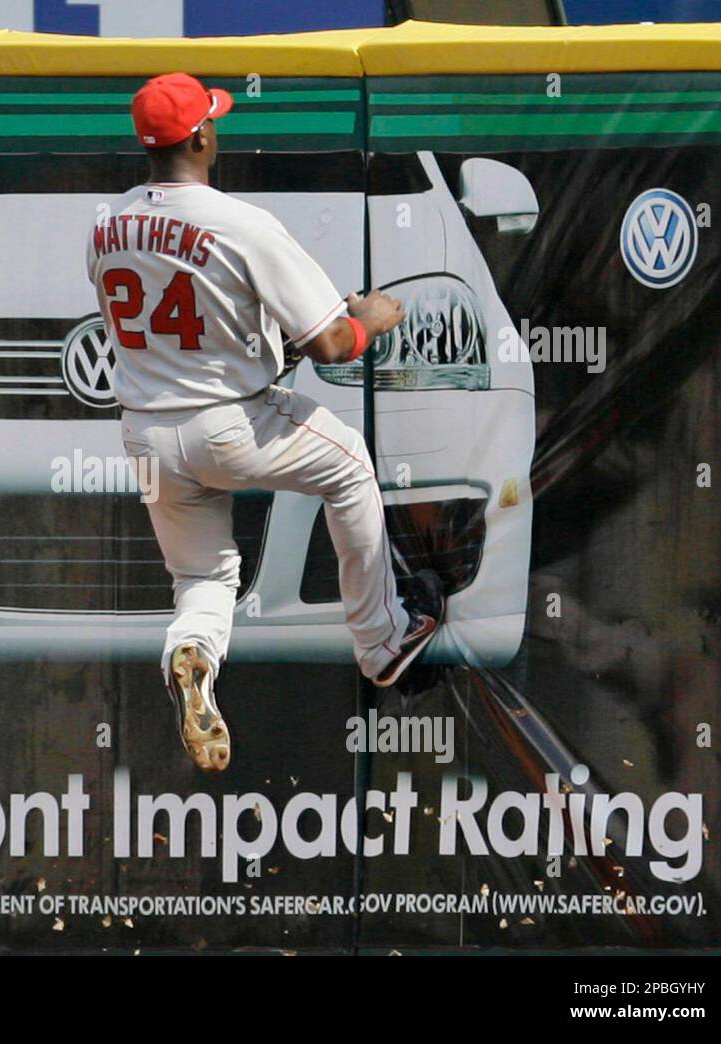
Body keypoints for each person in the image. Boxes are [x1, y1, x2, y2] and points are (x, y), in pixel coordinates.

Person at [85, 72, 443, 772]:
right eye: (212, 119)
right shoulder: (240, 223)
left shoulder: (105, 225)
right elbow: (331, 345)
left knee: (204, 579)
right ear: (199, 137)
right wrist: (364, 321)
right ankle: (383, 642)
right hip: (230, 424)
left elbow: (176, 330)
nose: (217, 127)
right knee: (349, 466)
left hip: (147, 433)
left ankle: (192, 658)